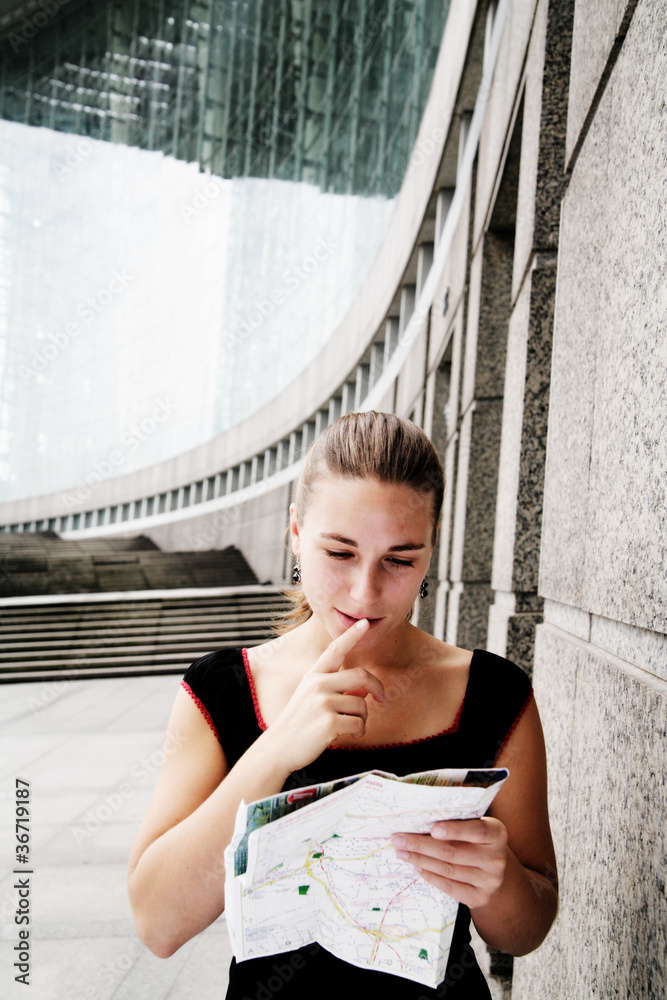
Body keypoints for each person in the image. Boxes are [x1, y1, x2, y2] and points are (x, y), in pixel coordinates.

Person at [127, 410, 558, 998]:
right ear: (296, 531)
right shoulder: (222, 690)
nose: (365, 592)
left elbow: (528, 929)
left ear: (431, 549)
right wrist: (275, 749)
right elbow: (158, 924)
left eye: (399, 560)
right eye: (340, 553)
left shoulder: (493, 694)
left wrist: (501, 882)